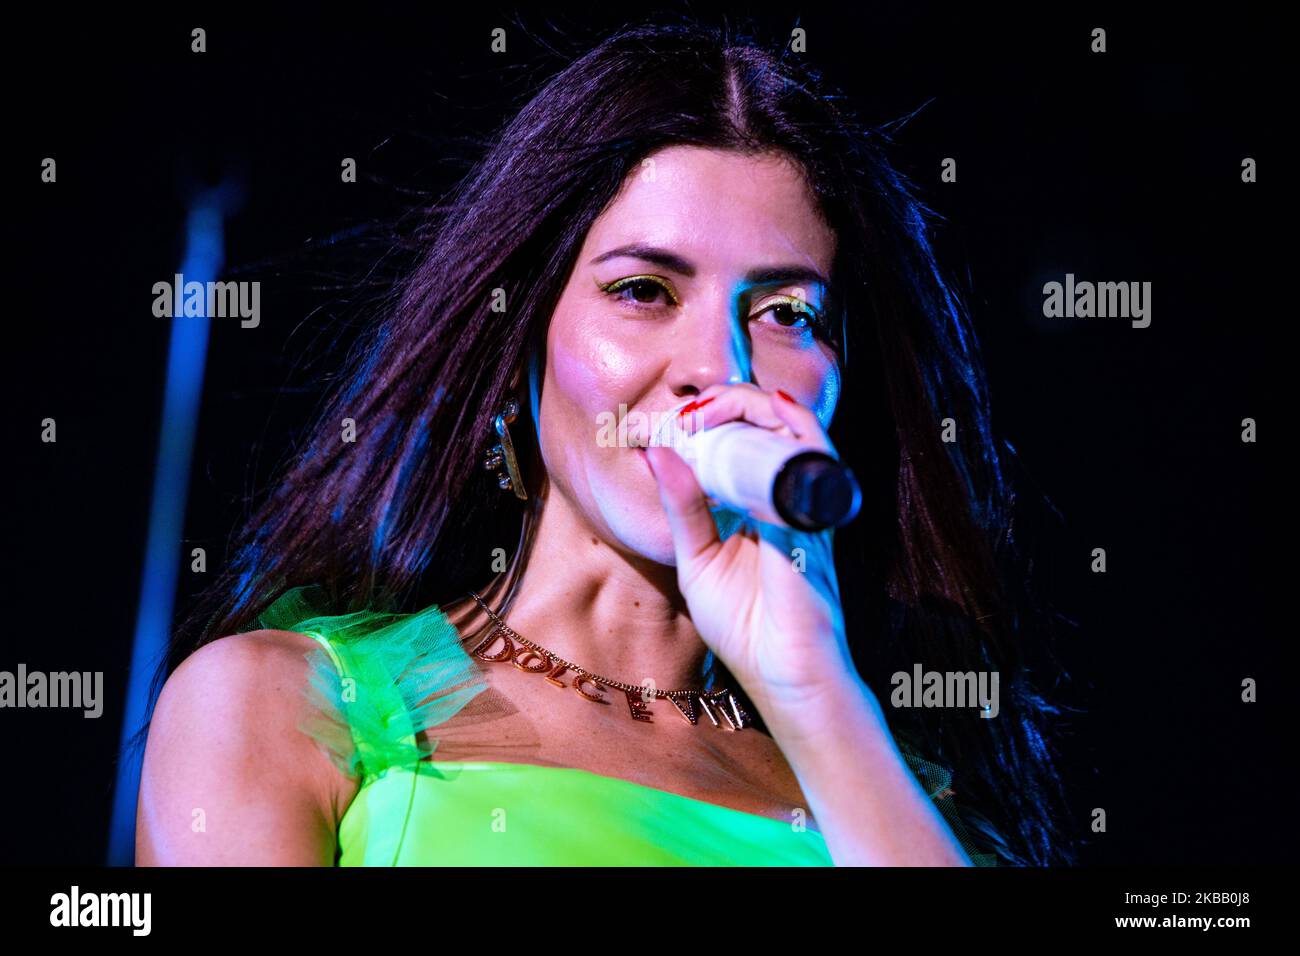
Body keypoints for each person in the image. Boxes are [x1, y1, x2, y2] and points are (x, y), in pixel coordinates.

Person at [133, 20, 1073, 866]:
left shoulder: (890, 797)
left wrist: (814, 688)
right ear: (515, 347)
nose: (719, 364)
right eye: (643, 292)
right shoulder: (291, 709)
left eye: (787, 313)